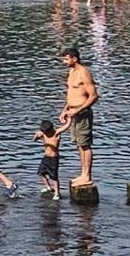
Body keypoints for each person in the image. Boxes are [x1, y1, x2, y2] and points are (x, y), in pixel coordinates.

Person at [58, 47, 98, 186]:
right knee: (79, 144)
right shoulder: (71, 72)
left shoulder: (84, 73)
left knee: (85, 144)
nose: (64, 62)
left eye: (66, 59)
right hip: (72, 112)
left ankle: (87, 176)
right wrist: (65, 110)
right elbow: (71, 93)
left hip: (82, 113)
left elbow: (93, 96)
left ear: (74, 59)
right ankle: (83, 173)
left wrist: (78, 110)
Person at [32, 119, 64, 198]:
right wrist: (36, 135)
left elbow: (66, 127)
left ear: (51, 130)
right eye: (44, 132)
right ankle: (48, 187)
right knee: (41, 173)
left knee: (54, 177)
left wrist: (68, 119)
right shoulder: (44, 134)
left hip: (54, 159)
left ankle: (57, 193)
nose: (46, 134)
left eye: (47, 132)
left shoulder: (56, 133)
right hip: (46, 157)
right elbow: (34, 140)